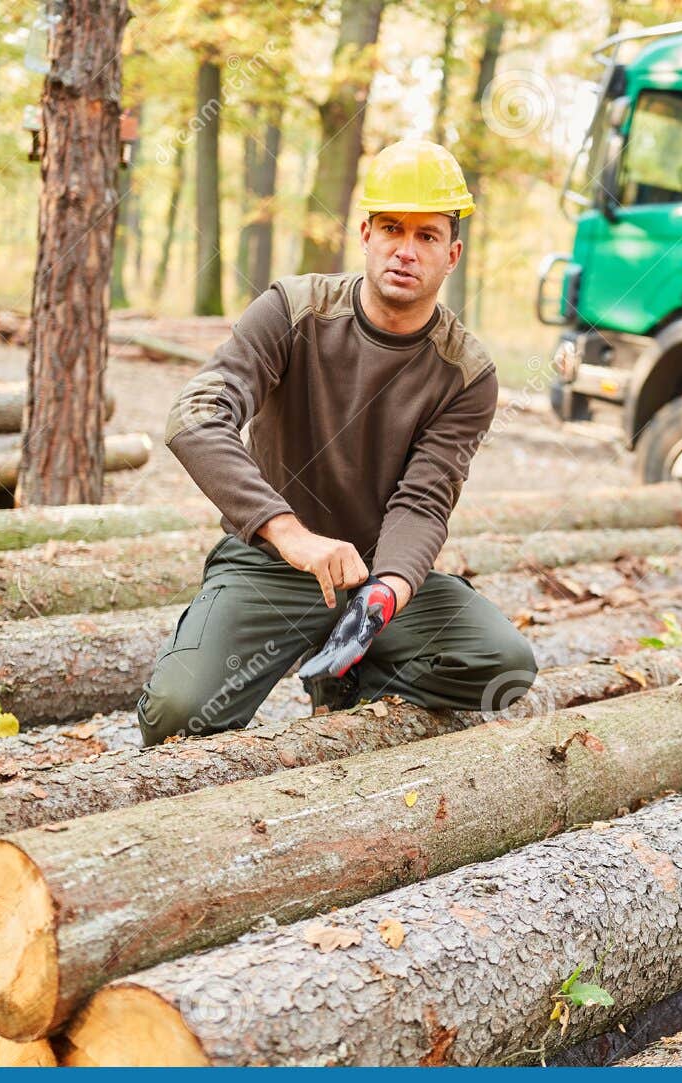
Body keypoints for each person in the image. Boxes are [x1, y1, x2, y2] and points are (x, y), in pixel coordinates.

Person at [136, 139, 536, 746]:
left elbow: (424, 500)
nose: (406, 250)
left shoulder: (466, 371)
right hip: (269, 563)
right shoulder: (291, 311)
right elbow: (195, 415)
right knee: (176, 715)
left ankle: (348, 686)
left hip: (373, 575)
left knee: (502, 664)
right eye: (392, 229)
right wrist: (288, 533)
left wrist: (388, 591)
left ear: (452, 254)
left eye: (427, 236)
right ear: (365, 234)